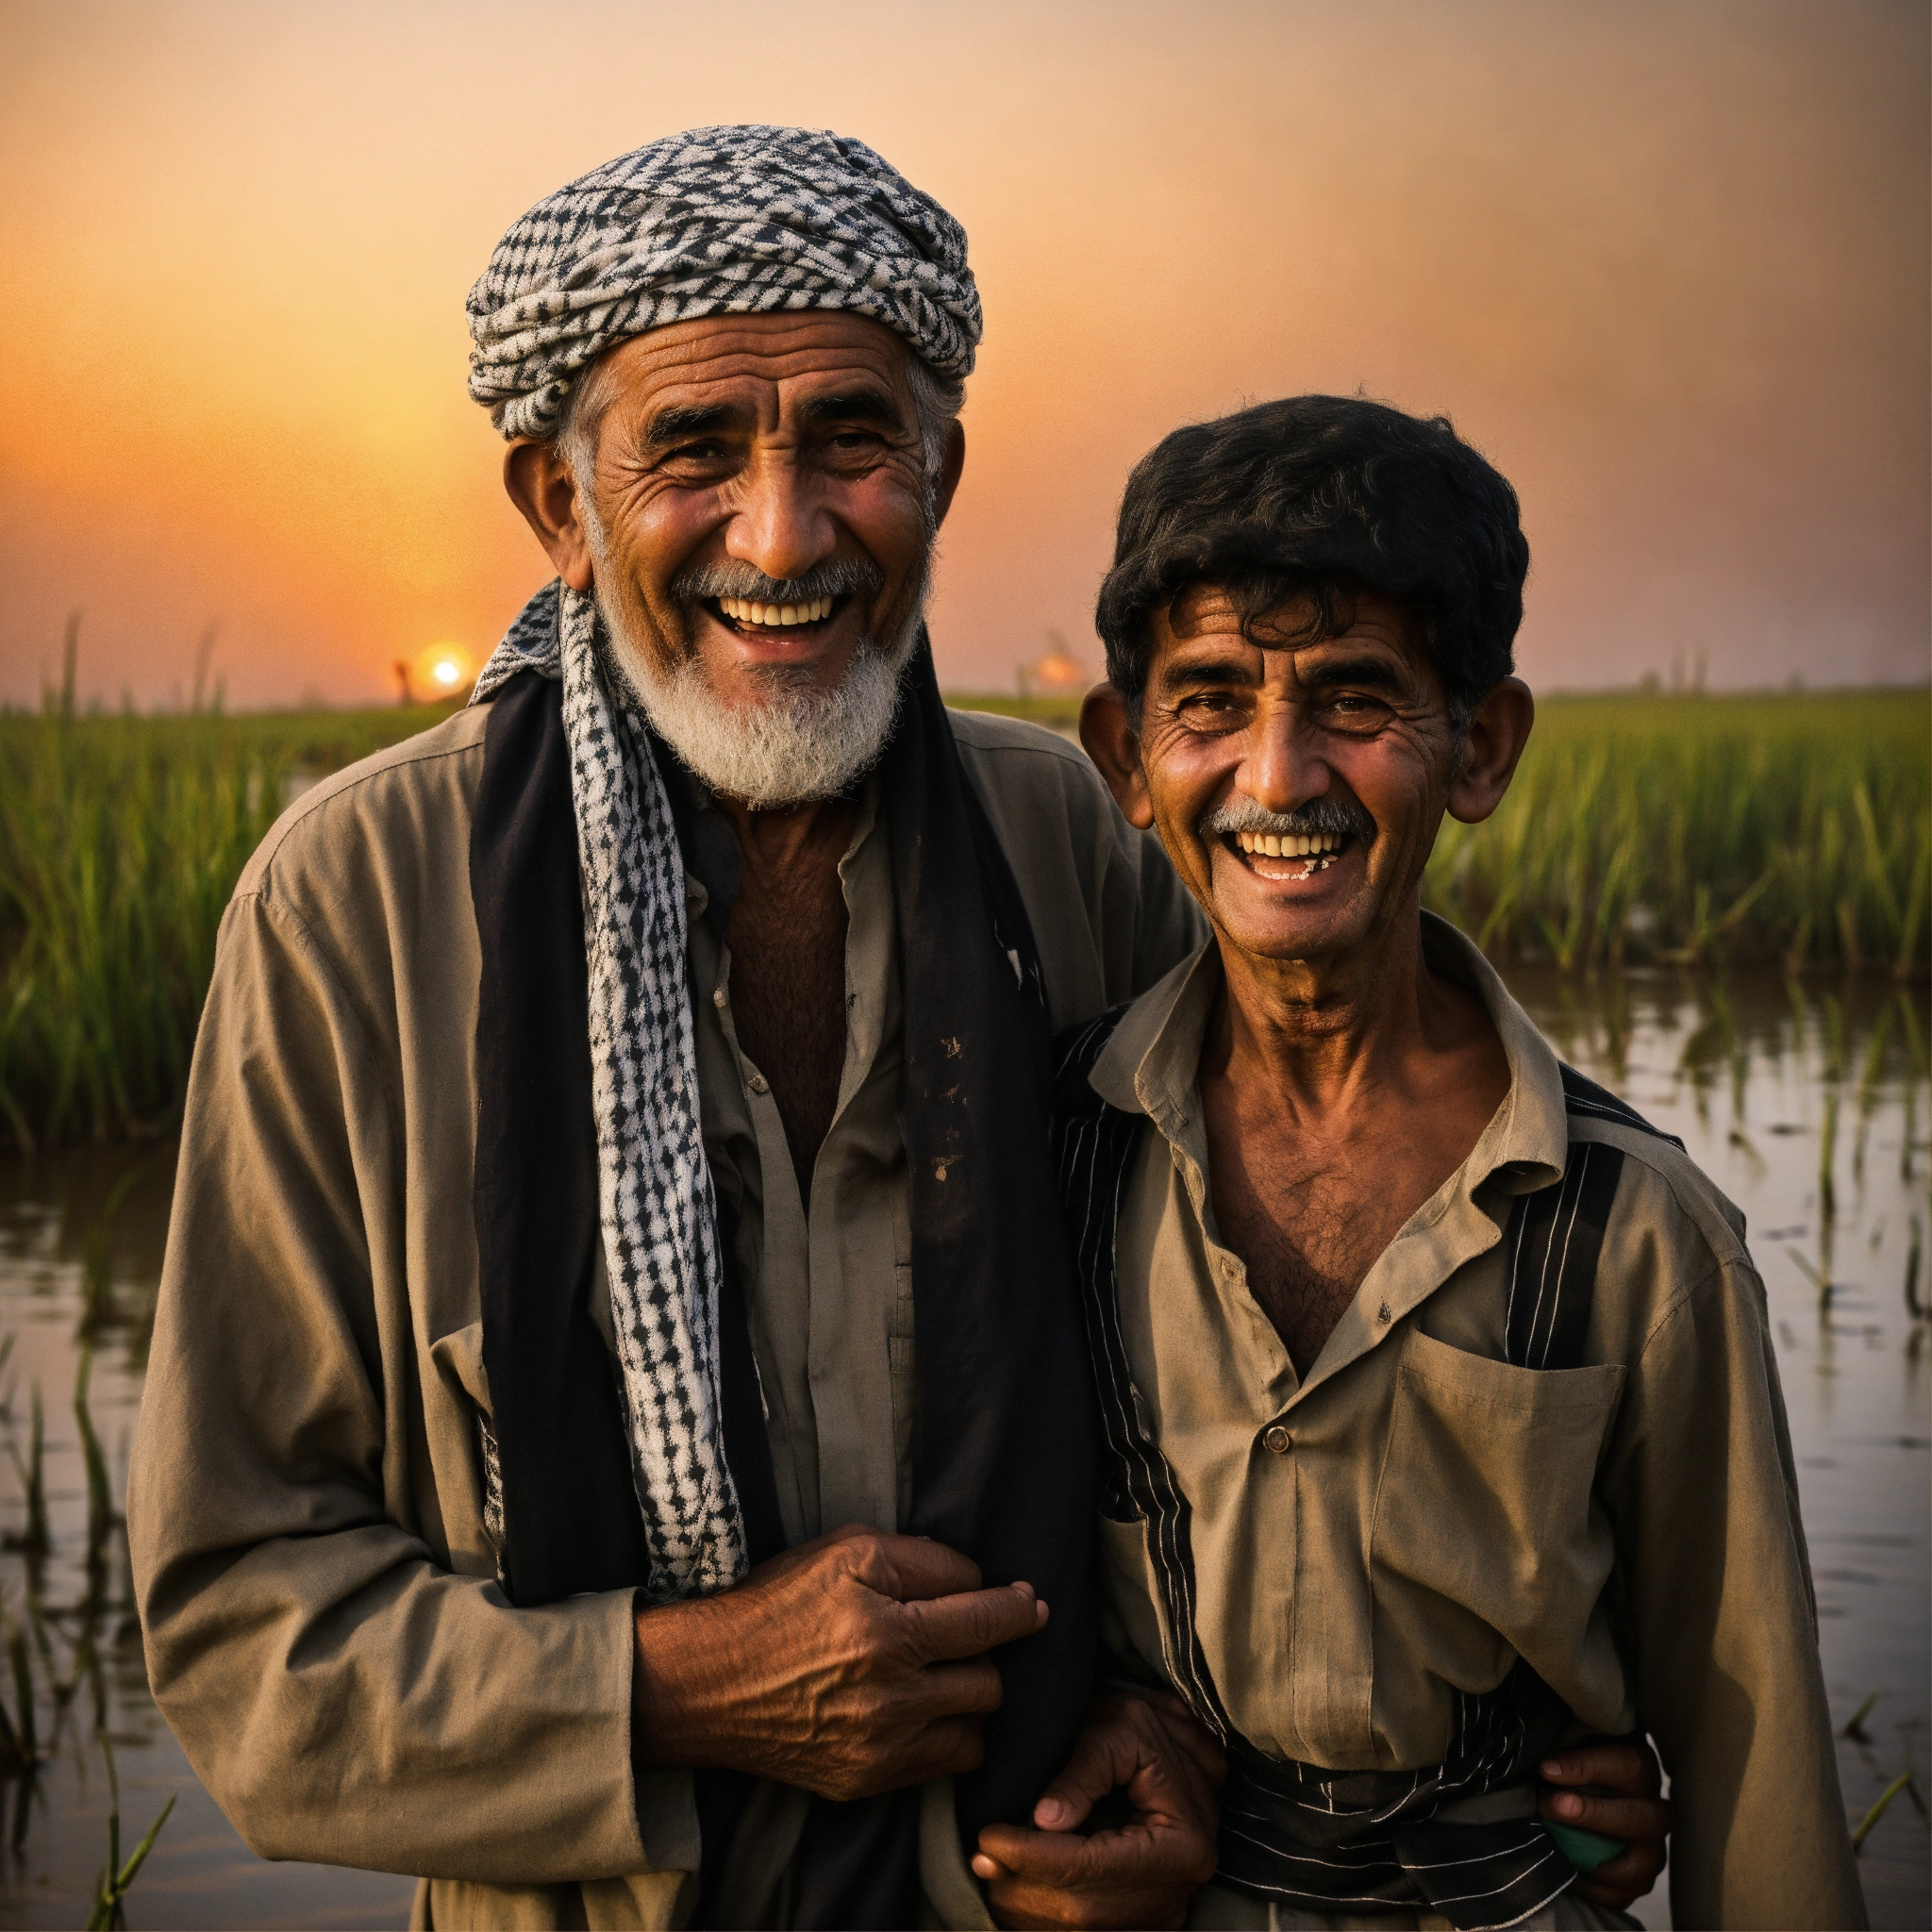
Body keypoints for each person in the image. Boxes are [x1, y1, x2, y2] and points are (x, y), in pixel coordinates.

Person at [126, 129, 1665, 1931]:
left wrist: (1422, 1757)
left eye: (851, 440)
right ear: (559, 504)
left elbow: (1316, 1345)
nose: (782, 537)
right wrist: (679, 1686)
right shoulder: (356, 909)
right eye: (692, 451)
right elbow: (241, 1632)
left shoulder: (1080, 841)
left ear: (940, 467)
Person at [974, 395, 1866, 1929]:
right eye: (1209, 703)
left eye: (1355, 698)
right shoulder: (1048, 1163)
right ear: (1126, 758)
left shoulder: (1637, 1239)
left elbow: (1756, 1772)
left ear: (1481, 746)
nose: (1279, 776)